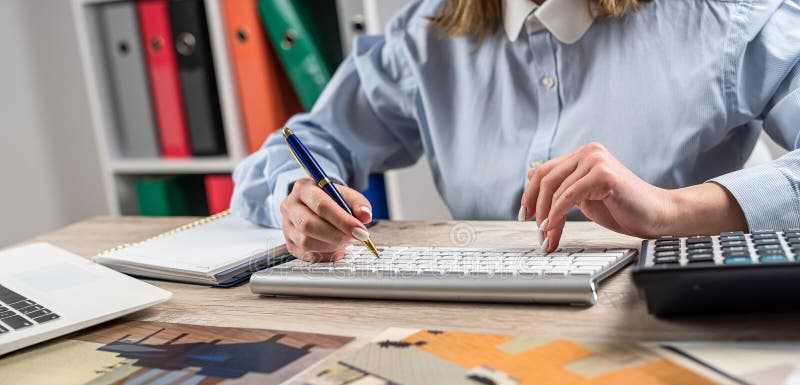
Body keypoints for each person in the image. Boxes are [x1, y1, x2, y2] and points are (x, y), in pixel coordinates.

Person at [231, 0, 800, 261]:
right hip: (477, 338)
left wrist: (673, 210)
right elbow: (308, 143)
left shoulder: (728, 16)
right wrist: (299, 196)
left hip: (663, 329)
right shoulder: (423, 34)